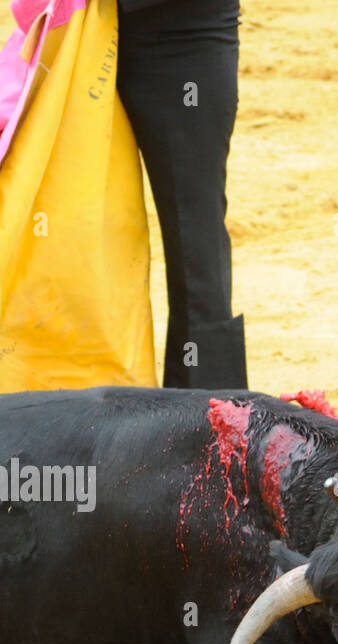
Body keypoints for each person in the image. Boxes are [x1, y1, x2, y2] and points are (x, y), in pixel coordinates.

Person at [117, 0, 248, 390]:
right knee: (66, 222)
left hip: (183, 43)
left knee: (194, 244)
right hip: (81, 35)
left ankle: (209, 421)